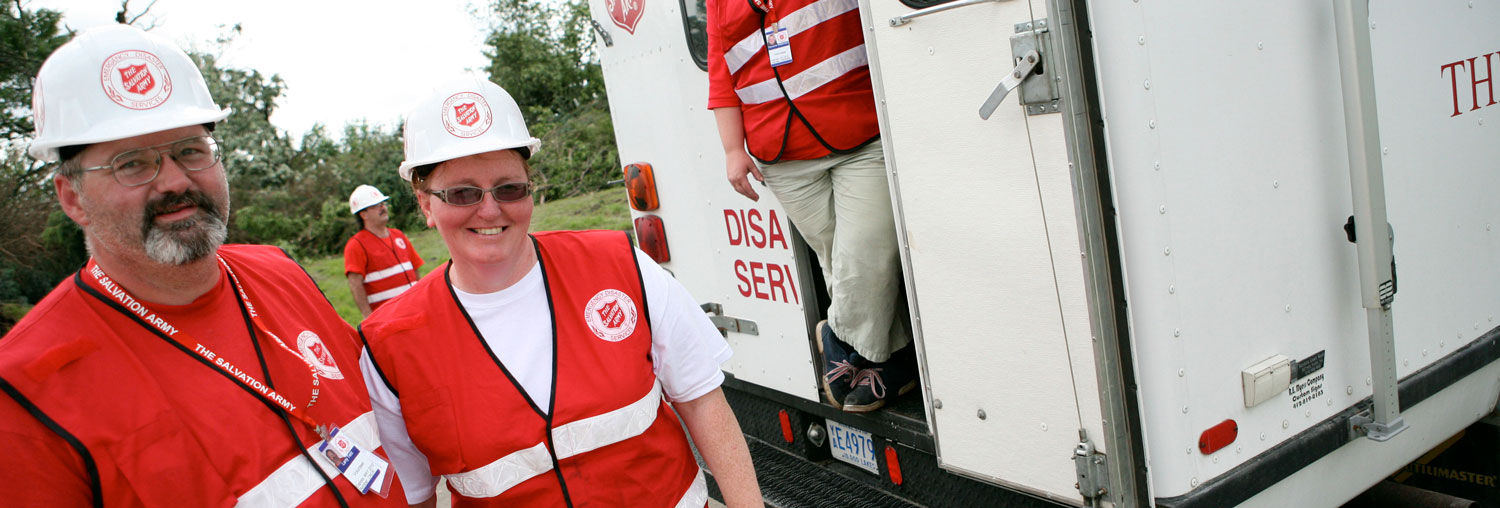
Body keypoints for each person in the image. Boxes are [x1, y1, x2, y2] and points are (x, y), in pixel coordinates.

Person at [0, 25, 405, 506]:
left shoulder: (279, 272)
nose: (174, 181)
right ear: (73, 198)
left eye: (190, 150)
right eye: (132, 163)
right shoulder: (25, 394)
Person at [358, 76, 763, 507]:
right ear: (425, 204)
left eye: (509, 188)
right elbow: (415, 496)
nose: (490, 209)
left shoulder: (619, 266)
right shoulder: (389, 347)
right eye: (462, 193)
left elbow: (703, 402)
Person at [706, 0, 916, 411]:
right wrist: (733, 150)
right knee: (836, 258)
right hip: (780, 156)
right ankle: (893, 361)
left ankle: (839, 339)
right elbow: (721, 77)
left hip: (859, 132)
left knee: (866, 252)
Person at [344, 184, 423, 317]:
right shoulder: (356, 245)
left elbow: (415, 269)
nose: (383, 207)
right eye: (376, 205)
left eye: (383, 203)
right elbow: (355, 284)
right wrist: (368, 317)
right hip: (387, 316)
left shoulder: (398, 235)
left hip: (415, 308)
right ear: (364, 214)